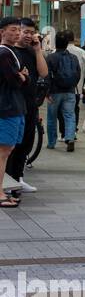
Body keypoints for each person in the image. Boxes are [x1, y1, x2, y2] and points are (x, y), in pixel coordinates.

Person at [3, 20, 47, 195]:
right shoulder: (9, 52)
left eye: (31, 32)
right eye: (24, 31)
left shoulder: (31, 51)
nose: (28, 35)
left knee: (26, 143)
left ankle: (18, 178)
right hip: (11, 105)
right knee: (10, 145)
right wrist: (21, 77)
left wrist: (38, 50)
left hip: (29, 104)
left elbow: (43, 73)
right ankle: (7, 180)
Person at [0, 18, 30, 208]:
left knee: (7, 150)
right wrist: (22, 75)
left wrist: (21, 76)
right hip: (7, 108)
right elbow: (14, 80)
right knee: (3, 152)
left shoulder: (10, 52)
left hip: (14, 107)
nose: (17, 33)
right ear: (2, 32)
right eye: (13, 30)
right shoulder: (3, 53)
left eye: (18, 30)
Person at [45, 31, 82, 152]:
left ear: (56, 43)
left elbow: (46, 76)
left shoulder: (51, 57)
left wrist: (47, 92)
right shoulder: (73, 57)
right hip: (70, 91)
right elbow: (78, 74)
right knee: (69, 115)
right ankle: (70, 138)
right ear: (67, 44)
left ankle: (51, 142)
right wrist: (73, 85)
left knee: (51, 117)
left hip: (54, 92)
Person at [65, 32, 85, 100]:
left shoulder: (55, 52)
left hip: (58, 91)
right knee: (74, 109)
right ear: (73, 39)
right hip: (77, 89)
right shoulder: (82, 52)